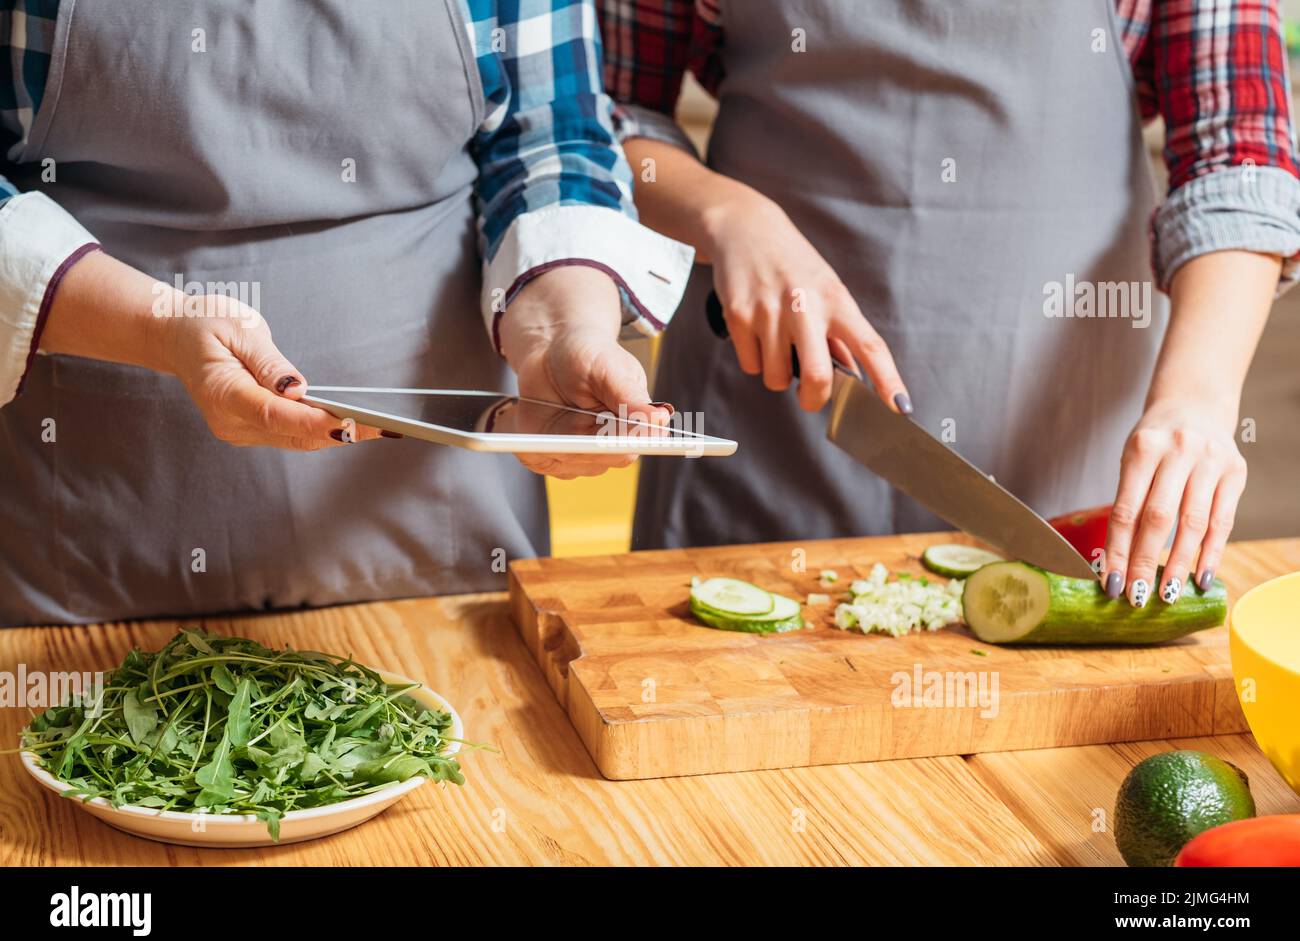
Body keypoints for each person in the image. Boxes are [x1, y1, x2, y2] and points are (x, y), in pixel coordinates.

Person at [0, 0, 692, 625]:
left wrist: (560, 328)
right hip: (90, 531)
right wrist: (158, 328)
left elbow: (549, 140)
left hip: (438, 525)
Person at [601, 0, 1300, 608]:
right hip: (762, 423)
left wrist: (1197, 401)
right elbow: (606, 115)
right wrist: (727, 218)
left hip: (1060, 439)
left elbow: (1237, 156)